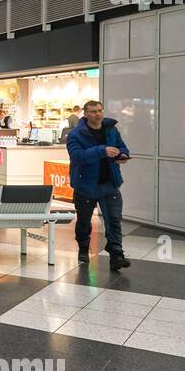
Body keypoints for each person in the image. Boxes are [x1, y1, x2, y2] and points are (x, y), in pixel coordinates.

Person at [67, 100, 131, 270]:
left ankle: (116, 254)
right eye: (93, 111)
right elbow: (77, 156)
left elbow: (122, 147)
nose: (98, 114)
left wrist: (122, 155)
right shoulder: (76, 134)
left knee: (114, 219)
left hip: (109, 183)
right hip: (85, 185)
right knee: (84, 221)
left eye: (100, 110)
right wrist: (102, 151)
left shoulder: (111, 130)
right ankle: (83, 247)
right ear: (86, 114)